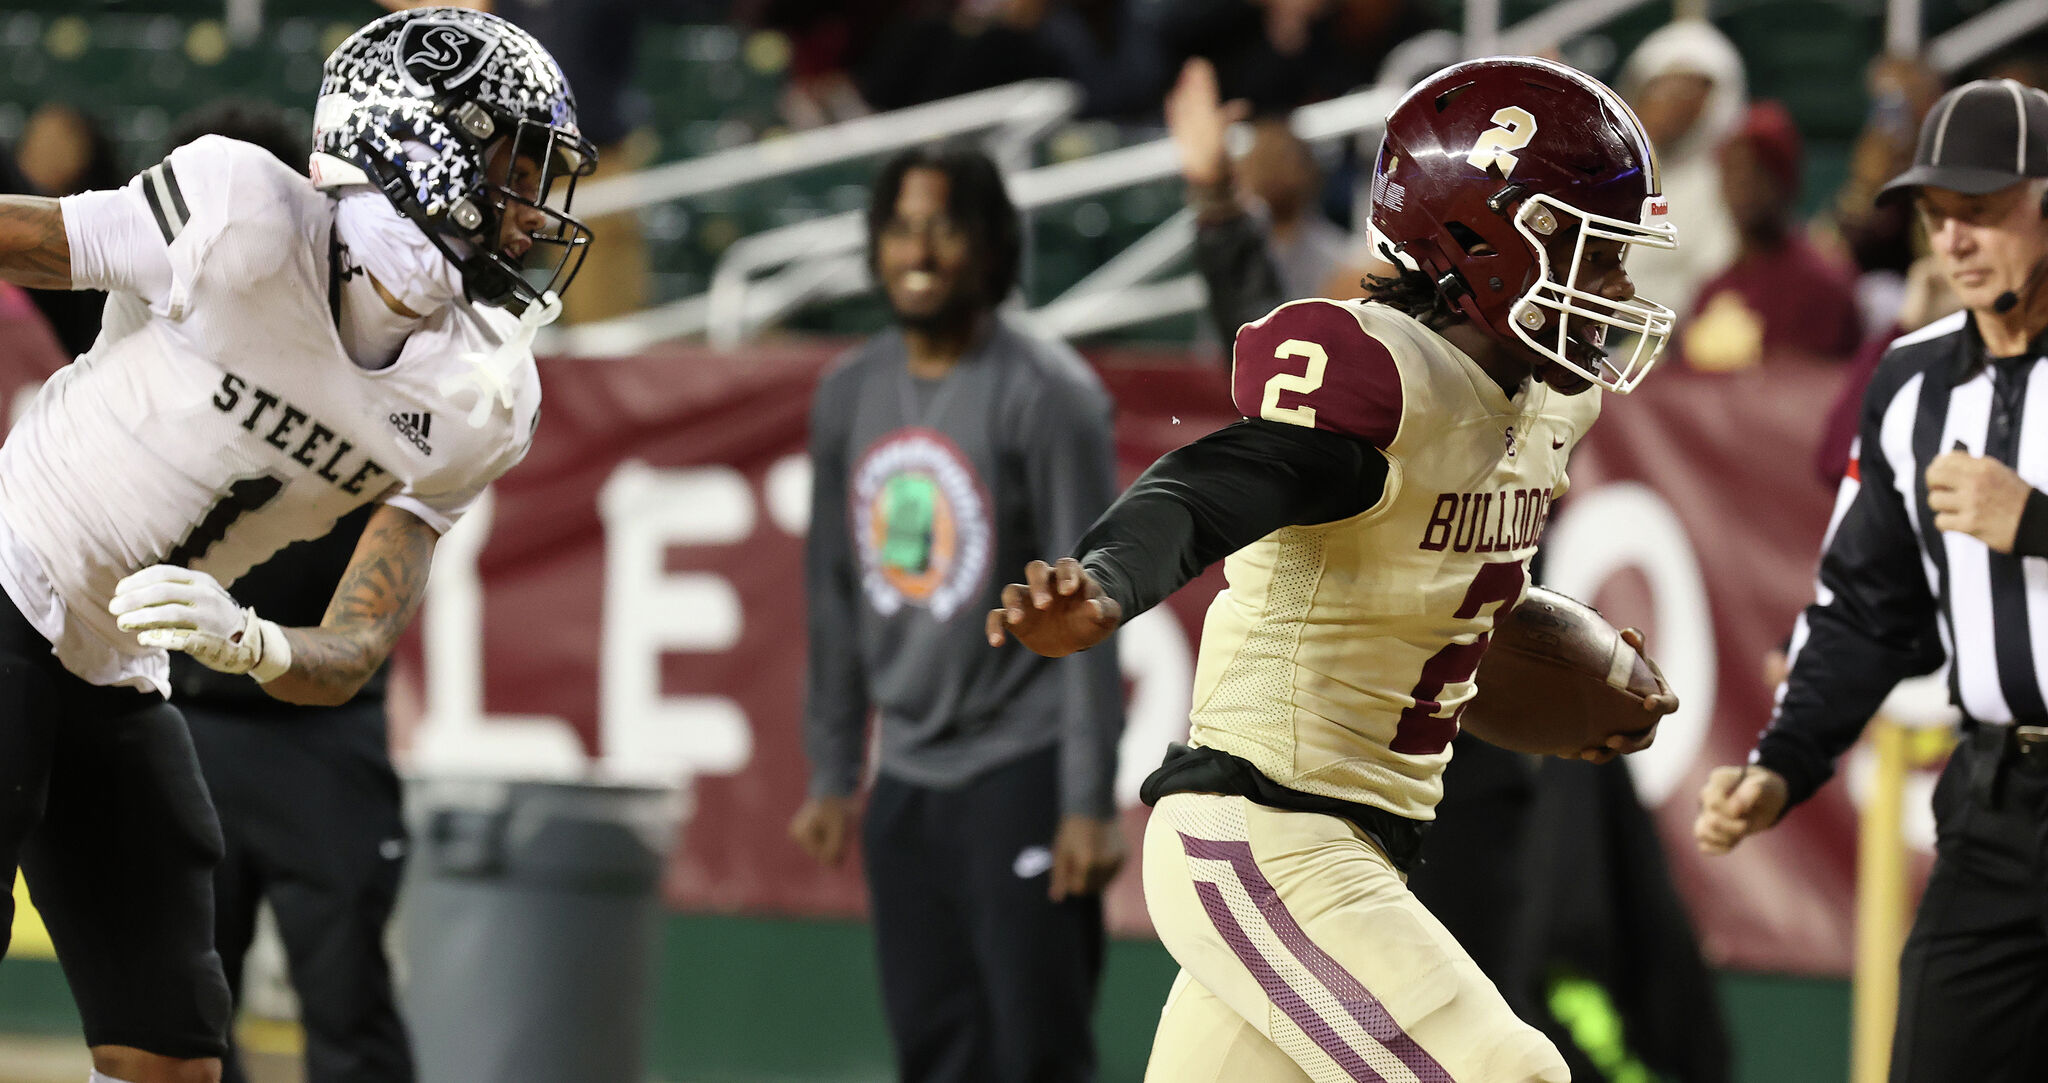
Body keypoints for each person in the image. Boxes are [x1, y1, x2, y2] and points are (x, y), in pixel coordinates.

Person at [990, 56, 1681, 1081]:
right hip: (1260, 831)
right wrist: (1106, 580)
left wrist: (1564, 660)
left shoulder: (1545, 401)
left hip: (1359, 846)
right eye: (1595, 253)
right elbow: (1211, 483)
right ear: (1488, 247)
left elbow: (1444, 583)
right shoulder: (1386, 381)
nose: (1618, 287)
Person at [0, 8, 595, 1082]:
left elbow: (355, 648)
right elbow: (32, 237)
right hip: (9, 579)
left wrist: (252, 643)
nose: (528, 216)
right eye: (514, 167)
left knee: (169, 1051)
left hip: (118, 667)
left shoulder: (480, 396)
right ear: (414, 141)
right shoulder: (239, 213)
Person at [1695, 79, 2048, 1083]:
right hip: (1992, 802)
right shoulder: (1909, 381)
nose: (1953, 243)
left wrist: (2033, 523)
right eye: (1937, 219)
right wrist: (1781, 762)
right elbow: (1862, 607)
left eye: (1979, 214)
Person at [789, 146, 1126, 1083]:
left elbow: (1088, 611)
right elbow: (831, 591)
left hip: (1018, 772)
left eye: (944, 225)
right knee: (935, 1055)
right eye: (900, 227)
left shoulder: (1051, 395)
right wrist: (831, 772)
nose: (920, 249)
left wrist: (1086, 800)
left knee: (1036, 1057)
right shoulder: (846, 393)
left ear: (990, 247)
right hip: (905, 783)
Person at [156, 103, 413, 1083]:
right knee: (180, 1025)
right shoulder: (153, 336)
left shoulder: (375, 343)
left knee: (349, 1013)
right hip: (181, 724)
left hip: (321, 736)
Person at [1678, 101, 1863, 372]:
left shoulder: (1824, 283)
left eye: (1757, 171)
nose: (1743, 186)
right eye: (1732, 171)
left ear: (1786, 180)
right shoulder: (1713, 289)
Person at [1618, 18, 1746, 320]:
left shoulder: (1727, 185)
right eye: (1658, 88)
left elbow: (1711, 290)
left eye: (1682, 92)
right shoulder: (1611, 175)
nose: (1666, 105)